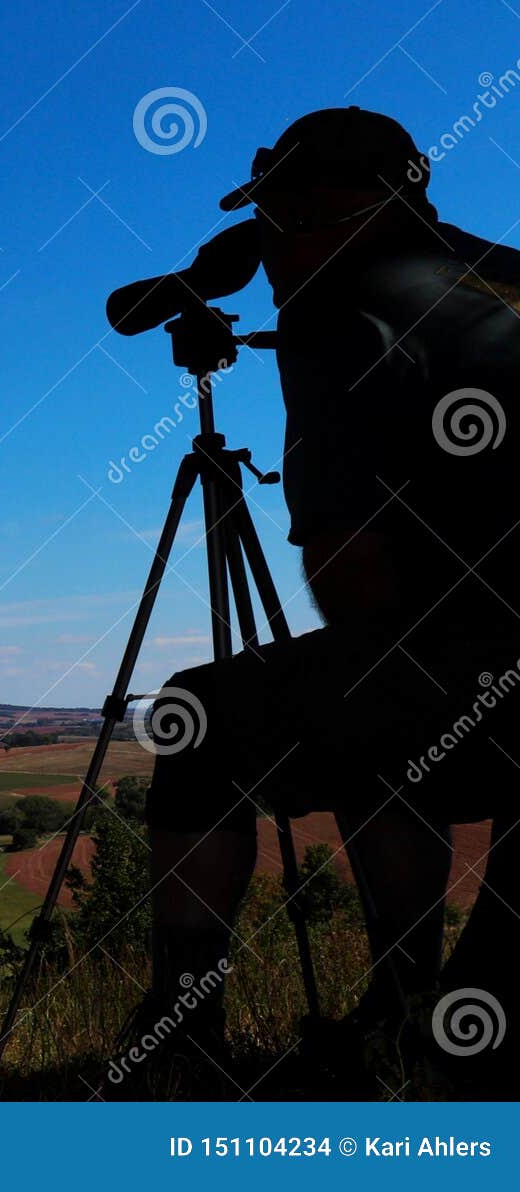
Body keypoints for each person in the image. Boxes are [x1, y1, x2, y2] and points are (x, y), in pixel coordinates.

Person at [135, 107, 520, 1080]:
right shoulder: (498, 275)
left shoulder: (336, 314)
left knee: (200, 713)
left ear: (305, 214)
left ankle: (182, 1044)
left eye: (272, 221)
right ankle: (405, 1014)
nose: (266, 253)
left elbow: (356, 587)